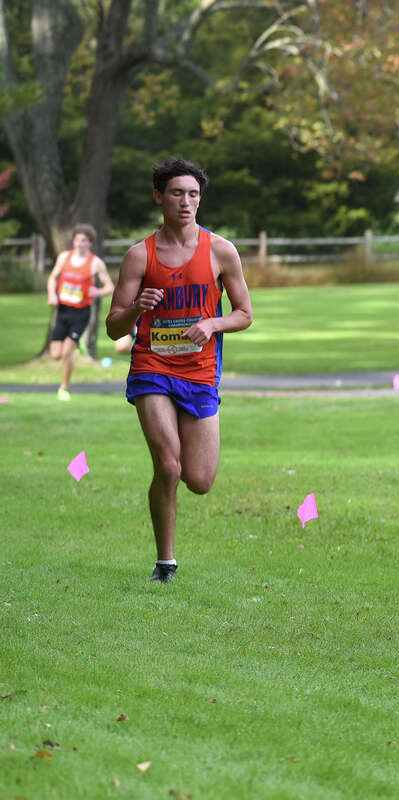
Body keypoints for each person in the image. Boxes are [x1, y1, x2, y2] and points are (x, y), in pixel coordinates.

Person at [105, 157, 253, 583]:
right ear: (159, 197)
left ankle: (166, 554)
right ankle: (165, 562)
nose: (186, 202)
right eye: (176, 193)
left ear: (200, 199)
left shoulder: (221, 251)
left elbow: (244, 314)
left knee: (200, 480)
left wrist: (213, 323)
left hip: (200, 372)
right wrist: (136, 308)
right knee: (168, 466)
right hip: (152, 367)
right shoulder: (139, 256)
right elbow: (113, 326)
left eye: (193, 194)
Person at [45, 223, 114, 400]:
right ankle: (78, 343)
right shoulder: (64, 258)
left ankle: (64, 388)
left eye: (84, 240)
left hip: (81, 313)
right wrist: (52, 295)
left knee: (66, 353)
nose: (80, 243)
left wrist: (97, 292)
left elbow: (109, 286)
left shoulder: (95, 263)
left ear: (90, 242)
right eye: (77, 240)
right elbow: (52, 278)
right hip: (63, 311)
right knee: (55, 355)